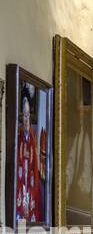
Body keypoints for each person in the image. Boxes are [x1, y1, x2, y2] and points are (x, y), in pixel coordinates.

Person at [13, 85, 47, 225]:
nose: (27, 120)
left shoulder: (32, 136)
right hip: (21, 176)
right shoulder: (19, 134)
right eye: (25, 115)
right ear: (22, 116)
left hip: (30, 178)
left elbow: (34, 158)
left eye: (28, 115)